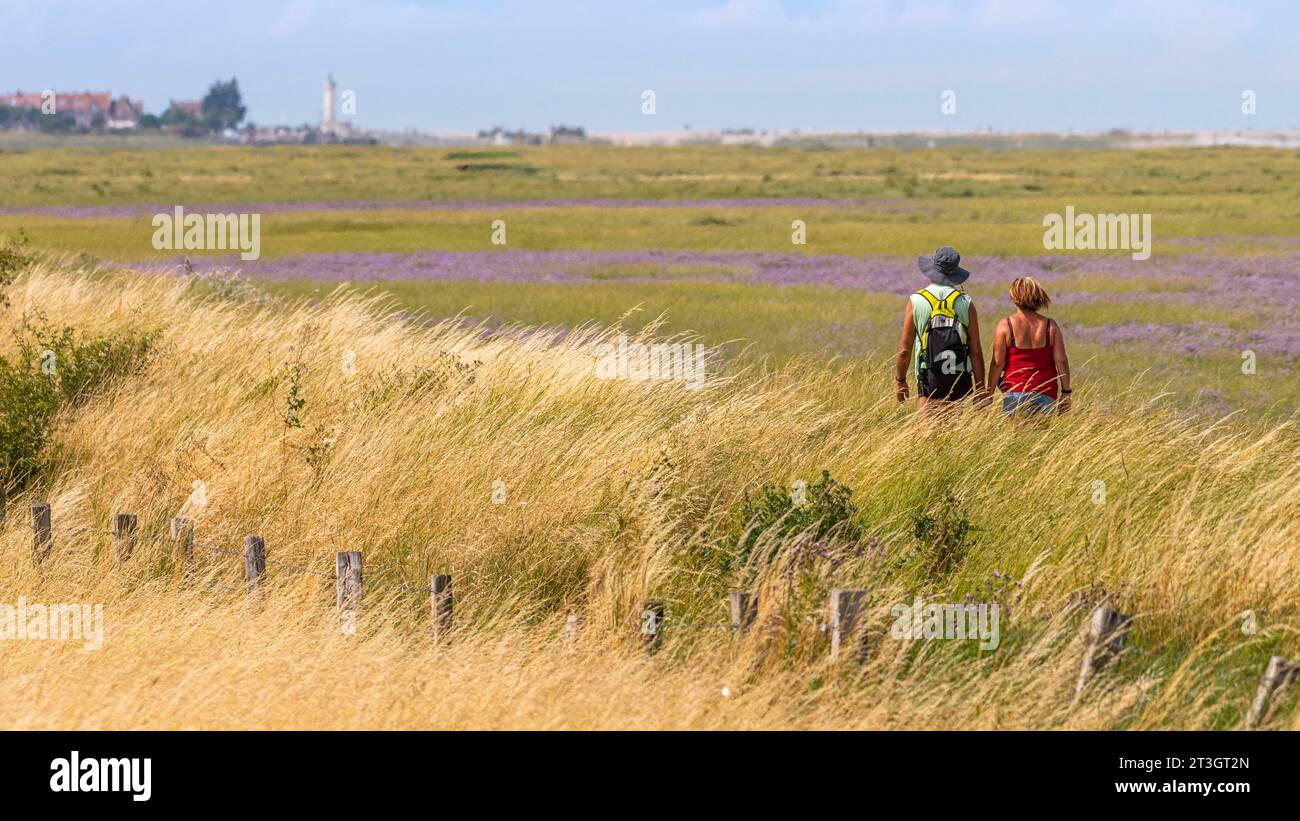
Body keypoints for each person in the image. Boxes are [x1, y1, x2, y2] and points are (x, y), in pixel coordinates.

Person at [894, 246, 986, 409]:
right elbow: (976, 351)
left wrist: (900, 381)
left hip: (929, 376)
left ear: (931, 271)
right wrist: (980, 389)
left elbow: (904, 349)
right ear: (954, 273)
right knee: (958, 433)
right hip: (960, 377)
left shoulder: (916, 301)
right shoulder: (966, 303)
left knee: (929, 433)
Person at [986, 276, 1072, 414]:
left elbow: (997, 364)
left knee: (1017, 434)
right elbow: (1061, 361)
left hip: (1015, 391)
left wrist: (988, 394)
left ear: (1015, 297)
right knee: (1042, 434)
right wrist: (1066, 393)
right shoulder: (1051, 326)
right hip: (1046, 391)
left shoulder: (1005, 326)